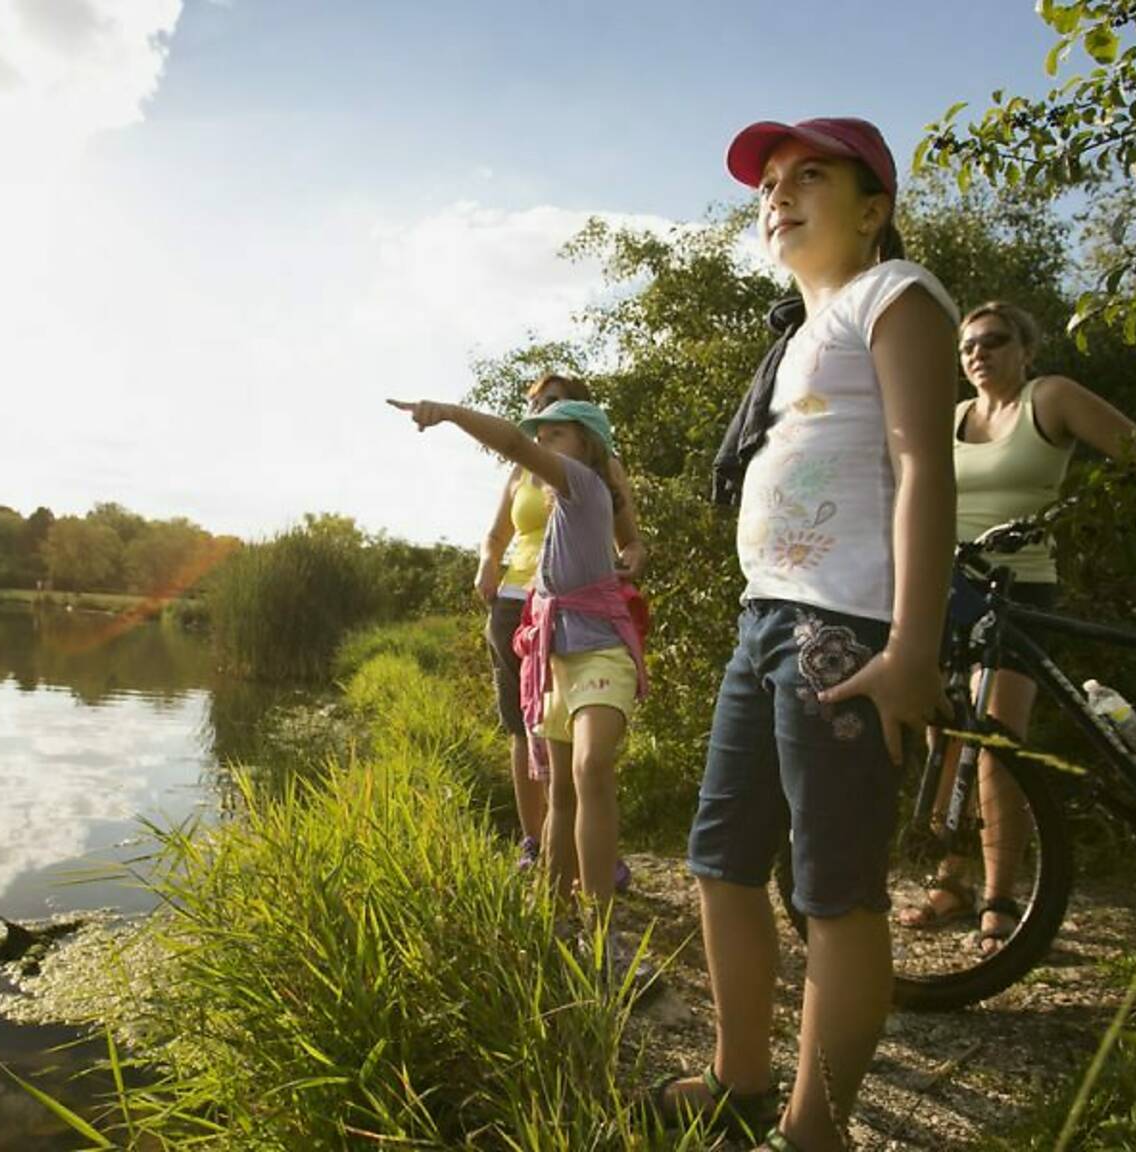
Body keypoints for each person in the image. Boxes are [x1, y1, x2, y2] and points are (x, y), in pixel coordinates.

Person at [652, 118, 958, 1152]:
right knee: (719, 864)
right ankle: (740, 1082)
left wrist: (915, 645)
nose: (777, 195)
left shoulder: (896, 295)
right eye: (768, 183)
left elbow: (925, 467)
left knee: (834, 896)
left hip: (846, 629)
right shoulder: (792, 341)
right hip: (762, 619)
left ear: (873, 210)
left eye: (808, 177)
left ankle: (811, 1132)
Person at [899, 299, 1136, 953]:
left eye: (994, 340)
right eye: (967, 347)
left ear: (1025, 348)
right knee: (945, 736)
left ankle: (1000, 897)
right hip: (946, 589)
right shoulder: (950, 419)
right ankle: (950, 880)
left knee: (997, 744)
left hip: (1019, 589)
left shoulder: (1050, 398)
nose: (979, 353)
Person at [389, 396, 646, 921]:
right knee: (560, 793)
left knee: (590, 766)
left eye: (556, 433)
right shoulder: (558, 506)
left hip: (600, 653)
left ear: (587, 444)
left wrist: (450, 413)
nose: (541, 442)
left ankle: (600, 930)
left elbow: (510, 442)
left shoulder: (584, 484)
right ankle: (554, 920)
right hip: (556, 659)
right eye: (540, 434)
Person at [475, 373, 645, 880]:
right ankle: (540, 844)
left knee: (583, 756)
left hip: (583, 612)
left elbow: (629, 537)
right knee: (526, 732)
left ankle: (588, 855)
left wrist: (631, 556)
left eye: (552, 407)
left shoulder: (595, 469)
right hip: (519, 606)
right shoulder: (520, 474)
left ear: (579, 418)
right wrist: (488, 562)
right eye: (534, 408)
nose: (540, 418)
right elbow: (496, 533)